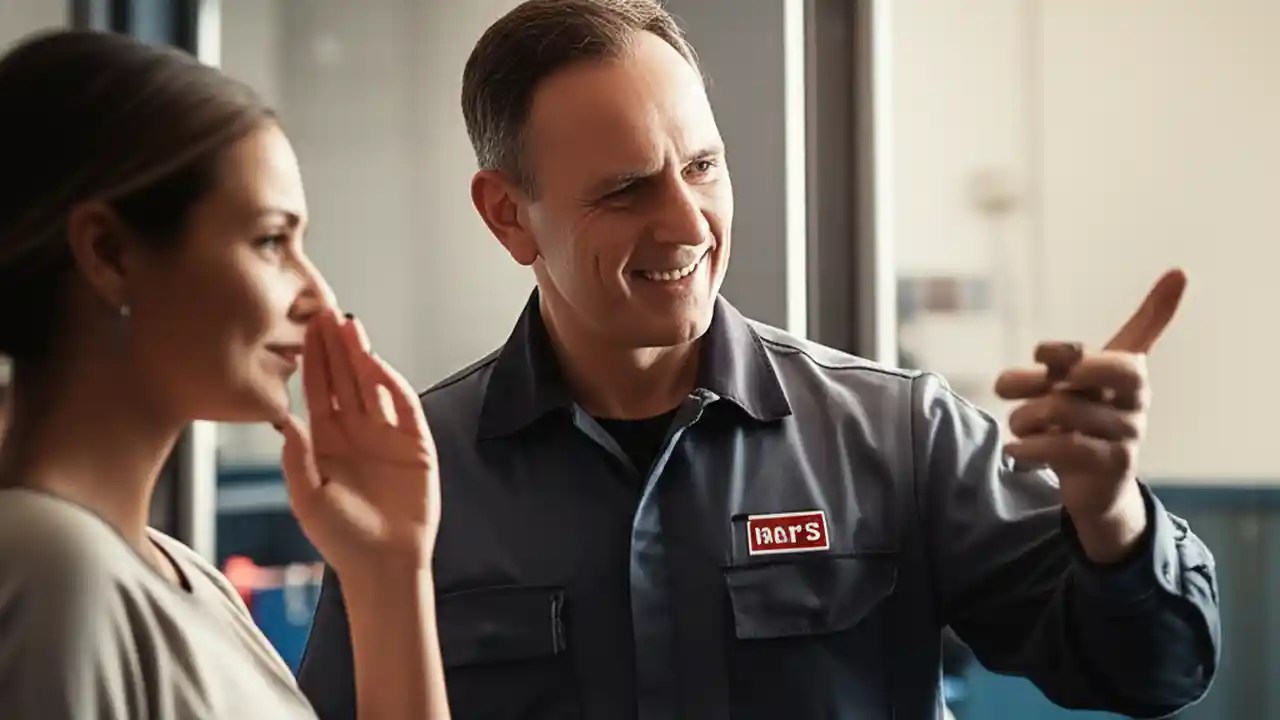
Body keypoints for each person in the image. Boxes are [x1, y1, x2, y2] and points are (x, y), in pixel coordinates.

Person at [299, 1, 1220, 718]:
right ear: (508, 215)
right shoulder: (415, 476)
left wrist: (1108, 514)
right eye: (626, 190)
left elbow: (1154, 673)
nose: (687, 223)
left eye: (702, 167)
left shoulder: (896, 432)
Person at [0, 31, 450, 720]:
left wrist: (389, 572)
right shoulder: (53, 568)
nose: (321, 299)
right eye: (272, 241)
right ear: (109, 252)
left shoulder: (188, 581)